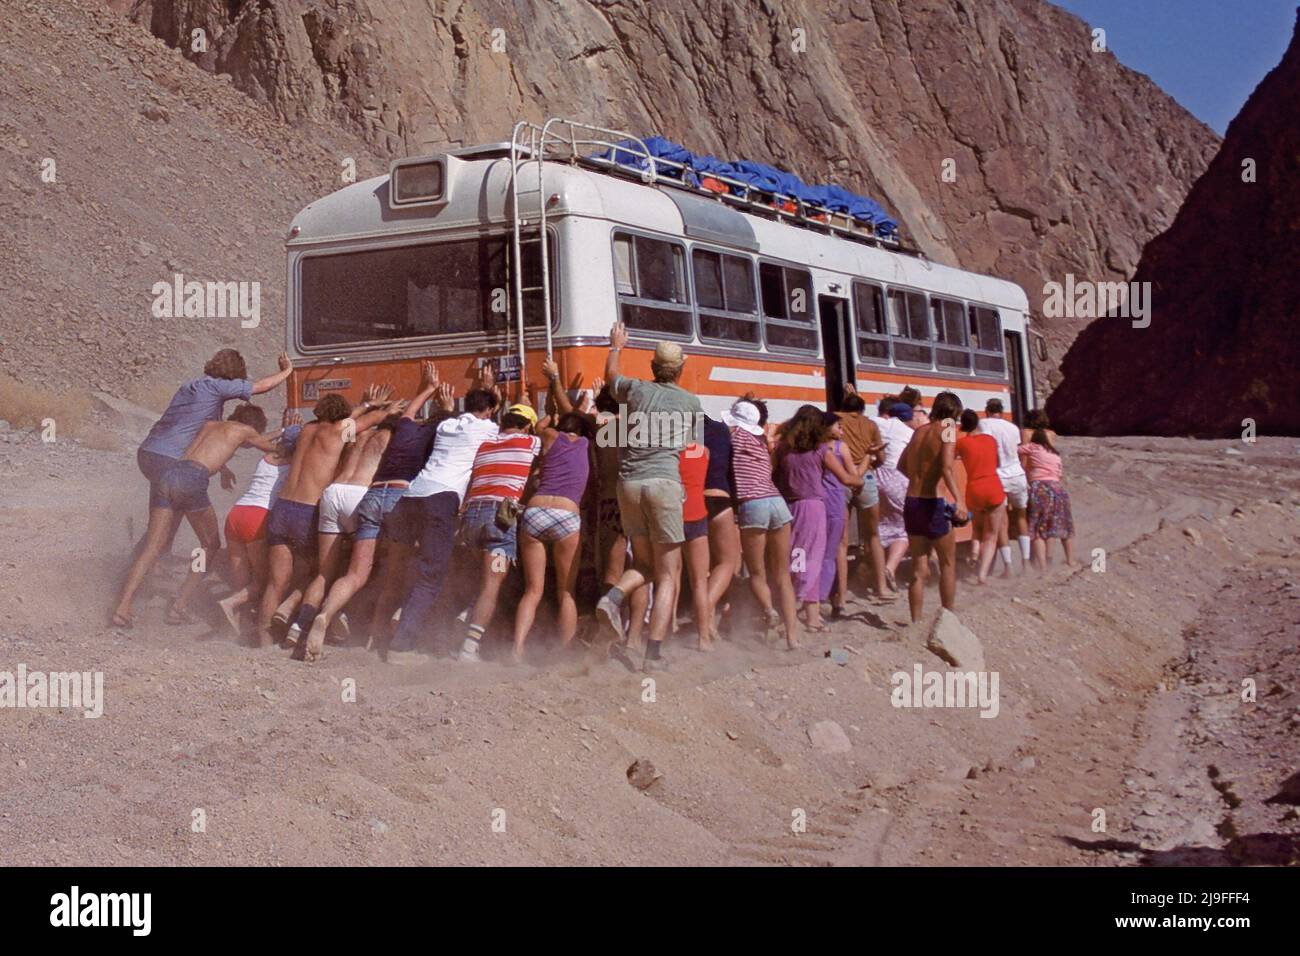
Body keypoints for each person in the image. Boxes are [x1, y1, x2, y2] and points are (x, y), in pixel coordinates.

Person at [303, 363, 449, 658]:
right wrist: (440, 402)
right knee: (394, 575)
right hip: (393, 497)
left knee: (355, 574)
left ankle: (324, 616)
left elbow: (344, 428)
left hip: (357, 495)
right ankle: (376, 636)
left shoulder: (362, 436)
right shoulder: (414, 436)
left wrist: (368, 404)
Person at [593, 321, 704, 672]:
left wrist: (616, 346)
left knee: (642, 565)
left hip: (629, 485)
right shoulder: (690, 402)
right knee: (668, 573)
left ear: (653, 367)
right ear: (681, 369)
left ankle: (612, 598)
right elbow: (693, 446)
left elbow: (611, 378)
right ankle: (653, 657)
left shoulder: (636, 390)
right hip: (663, 484)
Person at [256, 385, 401, 649]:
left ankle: (263, 644)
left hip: (282, 508)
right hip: (307, 511)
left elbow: (348, 420)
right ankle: (305, 619)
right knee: (322, 573)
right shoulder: (339, 432)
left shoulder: (306, 431)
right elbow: (376, 421)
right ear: (342, 417)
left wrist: (365, 404)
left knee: (276, 581)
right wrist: (385, 409)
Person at [113, 403, 279, 627]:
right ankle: (179, 606)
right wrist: (285, 431)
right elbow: (269, 448)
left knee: (153, 547)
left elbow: (207, 450)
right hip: (192, 480)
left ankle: (123, 606)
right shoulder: (246, 431)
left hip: (169, 474)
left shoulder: (211, 425)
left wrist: (223, 469)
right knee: (210, 545)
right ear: (254, 426)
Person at [132, 351, 292, 567]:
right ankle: (149, 565)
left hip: (150, 452)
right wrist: (288, 371)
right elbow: (260, 387)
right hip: (170, 458)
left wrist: (223, 469)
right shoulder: (218, 386)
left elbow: (209, 439)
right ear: (234, 374)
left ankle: (151, 562)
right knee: (168, 521)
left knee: (167, 515)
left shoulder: (192, 386)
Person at [386, 375, 501, 664]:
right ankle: (401, 647)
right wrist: (492, 390)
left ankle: (395, 620)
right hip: (442, 499)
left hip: (412, 496)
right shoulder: (488, 428)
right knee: (431, 576)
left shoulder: (447, 424)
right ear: (489, 411)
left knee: (407, 566)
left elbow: (445, 417)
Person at [455, 402, 542, 663]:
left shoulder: (485, 445)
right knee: (492, 585)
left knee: (481, 580)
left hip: (471, 515)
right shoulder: (529, 443)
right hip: (500, 517)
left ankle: (465, 616)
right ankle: (469, 648)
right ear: (528, 427)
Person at [724, 398, 801, 649]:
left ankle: (769, 611)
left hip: (753, 504)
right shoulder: (760, 443)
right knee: (782, 575)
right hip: (776, 502)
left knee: (757, 573)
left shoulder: (733, 440)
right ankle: (792, 636)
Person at [215, 412, 301, 635]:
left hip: (237, 513)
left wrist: (283, 430)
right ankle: (230, 604)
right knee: (263, 581)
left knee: (240, 576)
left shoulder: (265, 458)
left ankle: (239, 623)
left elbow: (257, 441)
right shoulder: (295, 464)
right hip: (259, 516)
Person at [898, 391, 967, 623]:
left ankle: (915, 621)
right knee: (947, 562)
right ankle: (949, 619)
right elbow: (948, 468)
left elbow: (901, 465)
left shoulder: (919, 431)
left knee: (918, 569)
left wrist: (921, 476)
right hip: (932, 502)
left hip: (912, 501)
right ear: (953, 413)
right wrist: (960, 501)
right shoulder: (947, 427)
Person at [835, 387, 888, 600]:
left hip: (843, 478)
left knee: (842, 540)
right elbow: (882, 458)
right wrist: (870, 461)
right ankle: (882, 587)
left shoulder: (837, 420)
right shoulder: (871, 424)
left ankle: (841, 593)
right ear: (862, 409)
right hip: (866, 478)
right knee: (873, 535)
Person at [817, 412, 866, 616]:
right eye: (839, 426)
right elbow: (852, 477)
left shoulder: (813, 448)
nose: (842, 430)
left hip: (817, 501)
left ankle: (813, 593)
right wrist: (867, 460)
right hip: (836, 501)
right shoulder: (840, 448)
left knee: (815, 548)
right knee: (839, 549)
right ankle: (841, 597)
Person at [1018, 412, 1076, 570]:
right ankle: (1070, 560)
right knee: (1064, 526)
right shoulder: (1055, 454)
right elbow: (1059, 473)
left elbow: (1019, 457)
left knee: (1037, 529)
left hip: (1039, 488)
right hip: (1057, 489)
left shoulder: (1030, 445)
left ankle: (1042, 566)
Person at [979, 397, 1030, 575]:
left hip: (999, 475)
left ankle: (1008, 565)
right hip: (1017, 474)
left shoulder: (984, 424)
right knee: (1022, 517)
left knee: (1001, 522)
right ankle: (1025, 562)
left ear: (987, 410)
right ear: (1001, 410)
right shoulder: (1013, 427)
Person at [956, 409, 1007, 585]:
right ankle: (982, 575)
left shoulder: (962, 444)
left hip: (974, 488)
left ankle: (974, 553)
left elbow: (950, 456)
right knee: (991, 535)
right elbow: (998, 462)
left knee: (977, 528)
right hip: (993, 485)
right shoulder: (990, 440)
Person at [872, 397, 916, 591]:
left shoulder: (879, 423)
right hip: (898, 479)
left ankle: (874, 571)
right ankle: (889, 569)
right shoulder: (909, 432)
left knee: (880, 524)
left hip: (876, 477)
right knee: (903, 527)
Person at [701, 414, 740, 638]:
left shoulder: (679, 432)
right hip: (719, 496)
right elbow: (730, 470)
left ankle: (708, 623)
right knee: (726, 562)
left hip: (692, 502)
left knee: (701, 571)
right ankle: (705, 608)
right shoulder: (721, 431)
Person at [678, 439, 714, 650]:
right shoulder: (704, 450)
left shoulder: (667, 452)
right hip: (697, 512)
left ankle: (667, 626)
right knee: (700, 581)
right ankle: (703, 638)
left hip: (674, 512)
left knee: (670, 579)